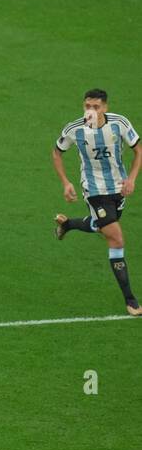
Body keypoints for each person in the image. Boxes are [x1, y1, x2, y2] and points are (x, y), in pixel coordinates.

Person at [52, 88, 142, 316]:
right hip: (93, 190)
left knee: (103, 226)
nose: (90, 111)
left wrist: (131, 179)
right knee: (116, 238)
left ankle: (68, 224)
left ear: (105, 107)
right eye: (87, 106)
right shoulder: (75, 129)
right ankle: (131, 301)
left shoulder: (119, 123)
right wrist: (66, 183)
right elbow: (56, 152)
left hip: (118, 188)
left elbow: (138, 151)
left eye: (96, 107)